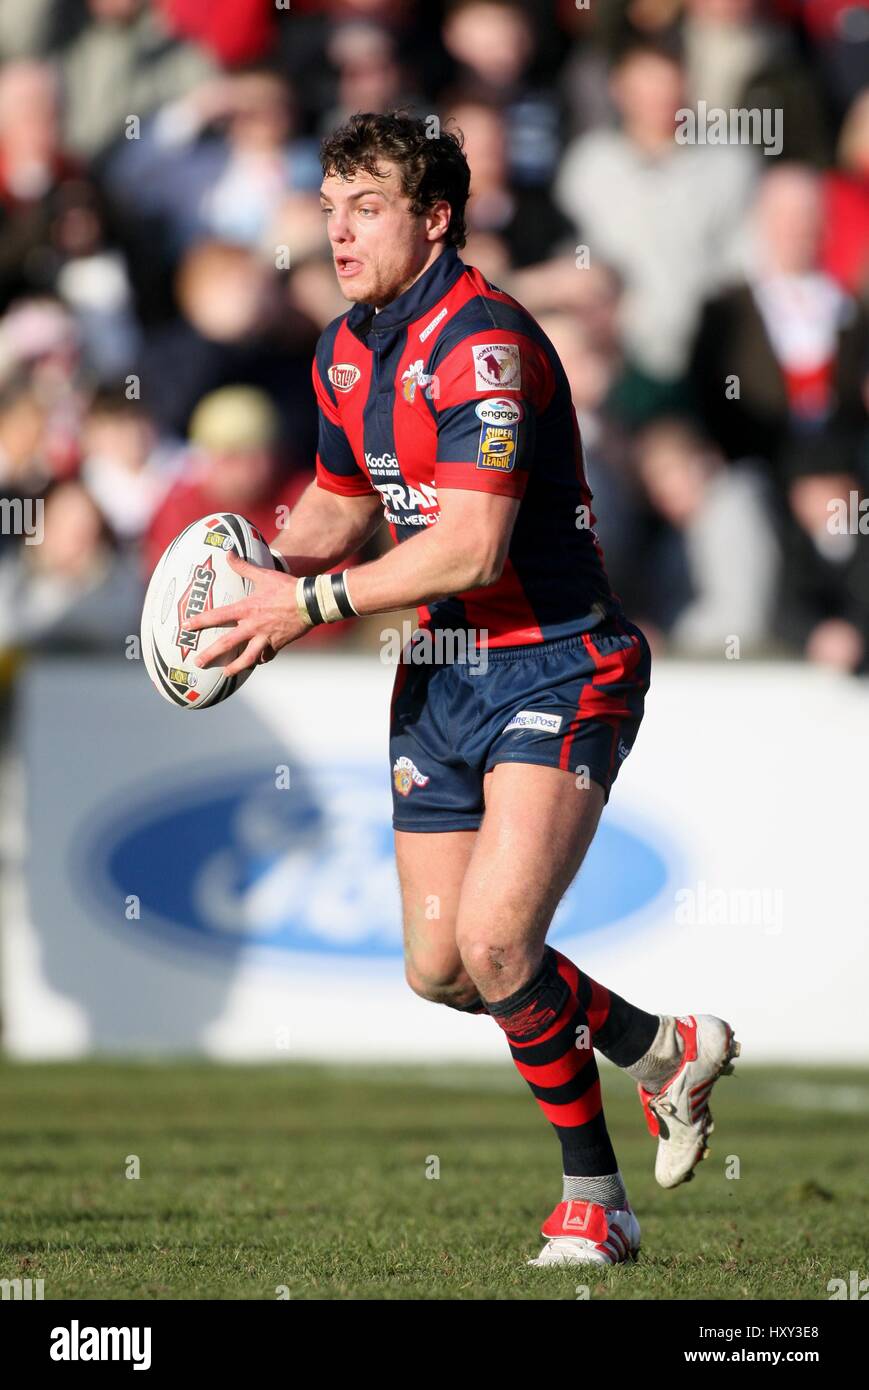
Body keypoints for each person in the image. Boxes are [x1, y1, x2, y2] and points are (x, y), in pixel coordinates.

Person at [183, 110, 740, 1267]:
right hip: (442, 670)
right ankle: (660, 1048)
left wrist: (315, 606)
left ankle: (595, 1202)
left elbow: (472, 548)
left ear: (435, 220)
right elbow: (342, 504)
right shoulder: (345, 350)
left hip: (557, 656)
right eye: (330, 208)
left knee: (496, 943)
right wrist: (266, 580)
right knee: (439, 967)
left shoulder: (483, 346)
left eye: (367, 208)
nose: (337, 234)